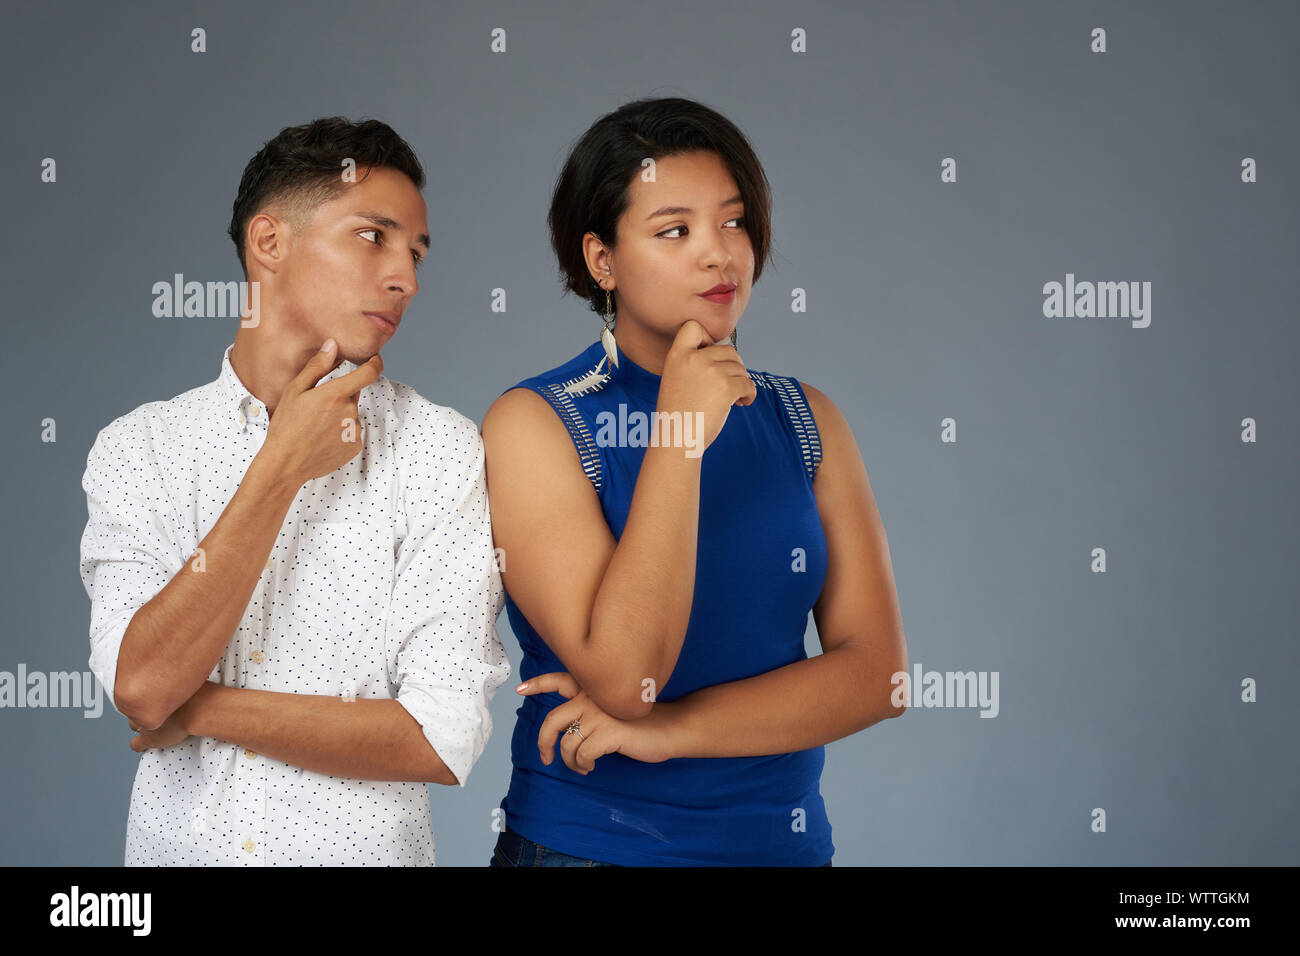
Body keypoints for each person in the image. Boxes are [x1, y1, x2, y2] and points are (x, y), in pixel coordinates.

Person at [481, 97, 908, 866]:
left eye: (734, 222)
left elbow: (877, 676)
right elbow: (622, 677)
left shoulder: (805, 418)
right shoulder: (536, 423)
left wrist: (666, 731)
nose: (719, 255)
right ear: (601, 259)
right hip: (591, 851)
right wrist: (679, 435)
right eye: (674, 230)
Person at [78, 117, 509, 865]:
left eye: (415, 252)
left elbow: (438, 737)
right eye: (373, 236)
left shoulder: (438, 450)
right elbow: (146, 688)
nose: (404, 275)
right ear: (268, 243)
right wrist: (279, 469)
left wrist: (205, 709)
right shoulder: (139, 450)